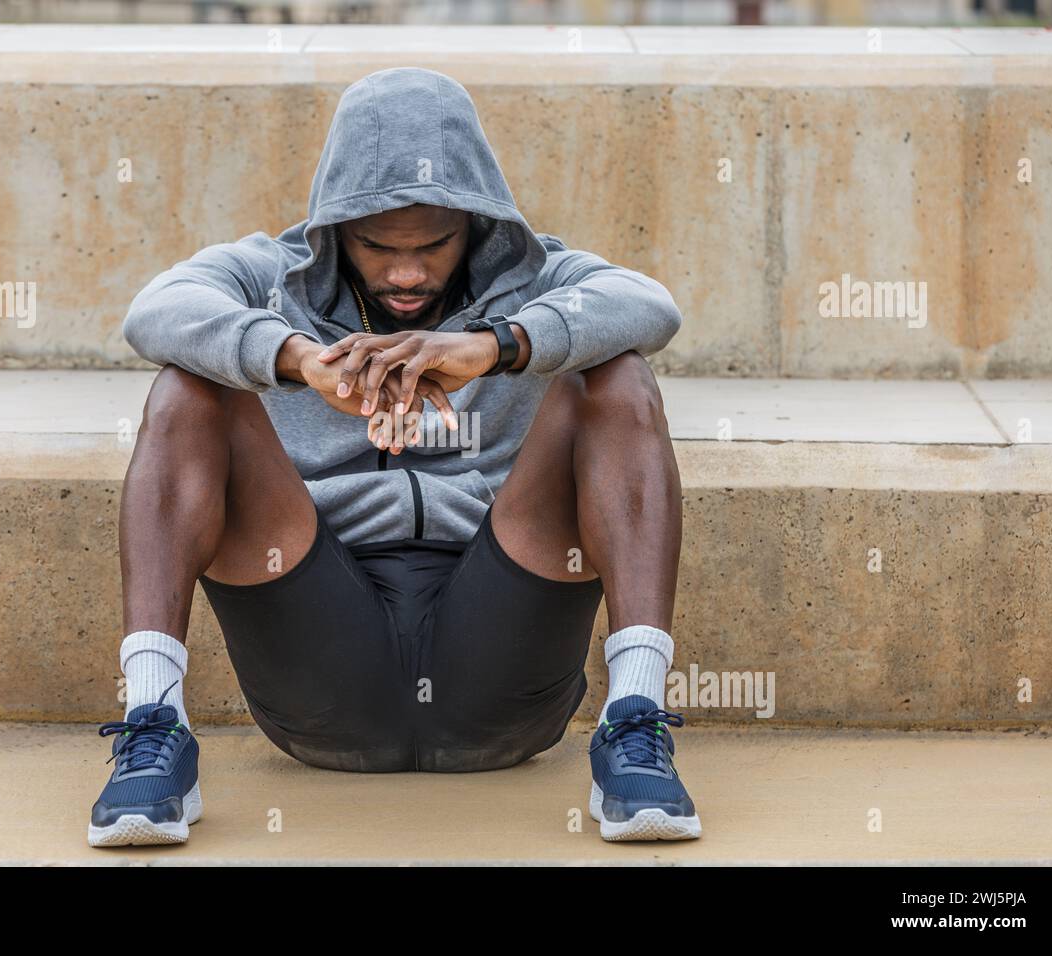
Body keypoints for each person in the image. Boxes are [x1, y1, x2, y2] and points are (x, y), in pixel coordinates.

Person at [87, 67, 698, 848]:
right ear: (333, 230)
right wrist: (299, 360)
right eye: (377, 246)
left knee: (616, 375)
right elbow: (157, 310)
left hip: (500, 641)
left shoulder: (538, 278)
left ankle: (636, 721)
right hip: (319, 645)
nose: (406, 273)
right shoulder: (269, 277)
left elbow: (651, 304)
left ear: (476, 225)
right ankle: (151, 725)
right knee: (188, 389)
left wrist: (495, 346)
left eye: (433, 245)